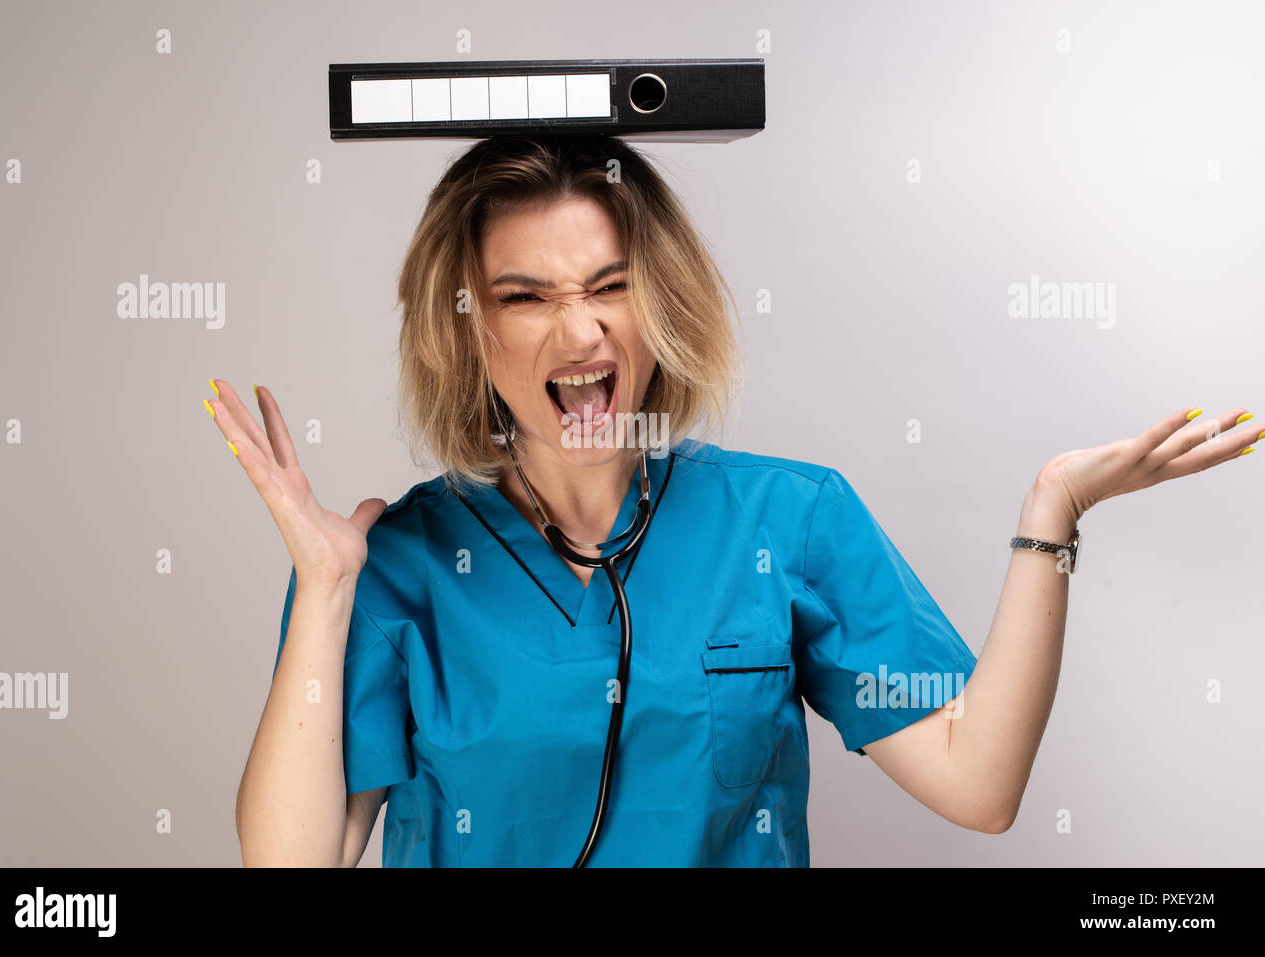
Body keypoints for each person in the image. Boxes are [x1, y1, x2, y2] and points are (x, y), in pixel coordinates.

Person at [220, 134, 1258, 867]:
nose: (578, 333)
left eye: (609, 286)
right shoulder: (399, 563)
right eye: (524, 295)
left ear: (658, 307)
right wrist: (323, 590)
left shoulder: (786, 521)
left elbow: (978, 786)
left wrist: (1051, 514)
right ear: (468, 331)